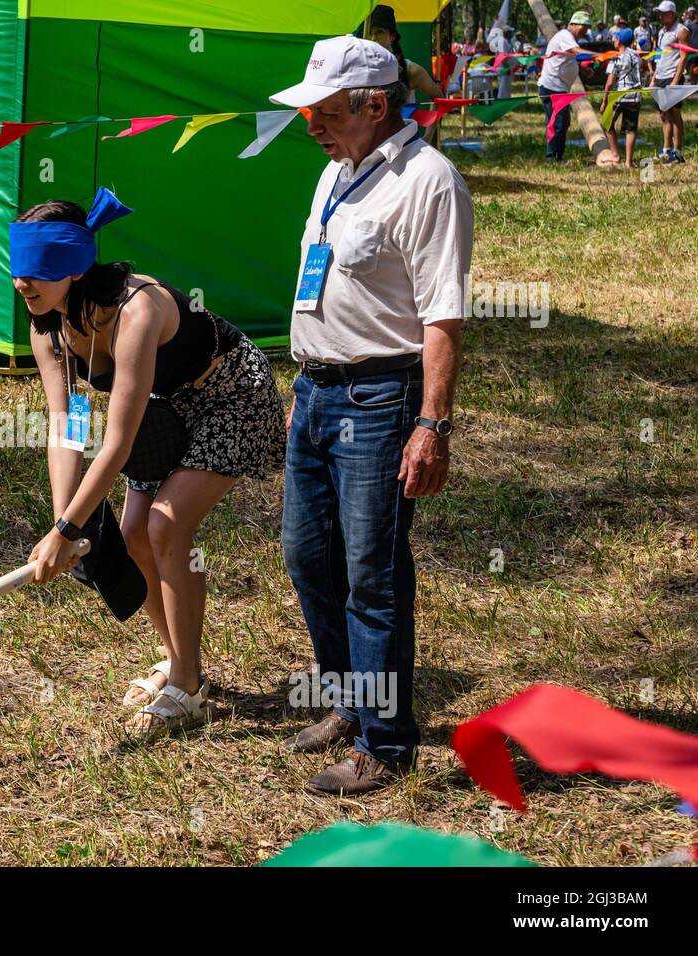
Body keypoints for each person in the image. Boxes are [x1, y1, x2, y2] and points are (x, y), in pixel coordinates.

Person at [269, 35, 472, 796]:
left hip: (381, 400)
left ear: (376, 105)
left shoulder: (430, 182)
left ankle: (384, 744)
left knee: (372, 575)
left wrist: (433, 424)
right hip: (316, 393)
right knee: (306, 555)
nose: (312, 124)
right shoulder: (335, 172)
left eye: (326, 111)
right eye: (309, 111)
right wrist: (303, 392)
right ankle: (349, 701)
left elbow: (443, 315)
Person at [14, 189, 287, 741]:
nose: (22, 283)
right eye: (18, 268)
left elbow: (115, 441)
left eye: (37, 269)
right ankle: (177, 659)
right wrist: (69, 523)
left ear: (74, 266)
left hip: (231, 396)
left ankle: (188, 685)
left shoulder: (137, 309)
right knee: (134, 533)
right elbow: (67, 428)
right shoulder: (48, 324)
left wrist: (65, 530)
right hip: (165, 410)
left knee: (165, 525)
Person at [538, 11, 595, 162]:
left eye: (587, 28)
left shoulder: (569, 38)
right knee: (558, 123)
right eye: (583, 27)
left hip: (559, 88)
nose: (585, 31)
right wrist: (598, 55)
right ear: (573, 24)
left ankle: (556, 155)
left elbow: (566, 59)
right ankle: (552, 157)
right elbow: (575, 52)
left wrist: (582, 69)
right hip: (552, 88)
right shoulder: (565, 35)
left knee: (562, 122)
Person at [365, 5, 444, 103]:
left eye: (379, 32)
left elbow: (442, 102)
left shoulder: (411, 71)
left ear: (392, 36)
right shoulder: (360, 69)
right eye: (370, 33)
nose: (373, 38)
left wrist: (429, 114)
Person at [653, 1, 690, 163]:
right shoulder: (661, 31)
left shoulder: (681, 31)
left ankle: (677, 151)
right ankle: (666, 149)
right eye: (659, 13)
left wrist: (675, 80)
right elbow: (659, 56)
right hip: (660, 76)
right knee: (663, 113)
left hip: (672, 76)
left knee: (674, 113)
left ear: (672, 14)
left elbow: (684, 57)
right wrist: (654, 77)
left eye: (663, 13)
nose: (660, 16)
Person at [604, 28, 645, 167]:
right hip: (635, 96)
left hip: (619, 96)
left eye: (615, 39)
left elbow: (610, 82)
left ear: (619, 41)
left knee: (606, 123)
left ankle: (616, 156)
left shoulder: (616, 58)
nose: (613, 41)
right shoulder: (637, 56)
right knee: (630, 129)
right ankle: (628, 162)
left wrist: (604, 100)